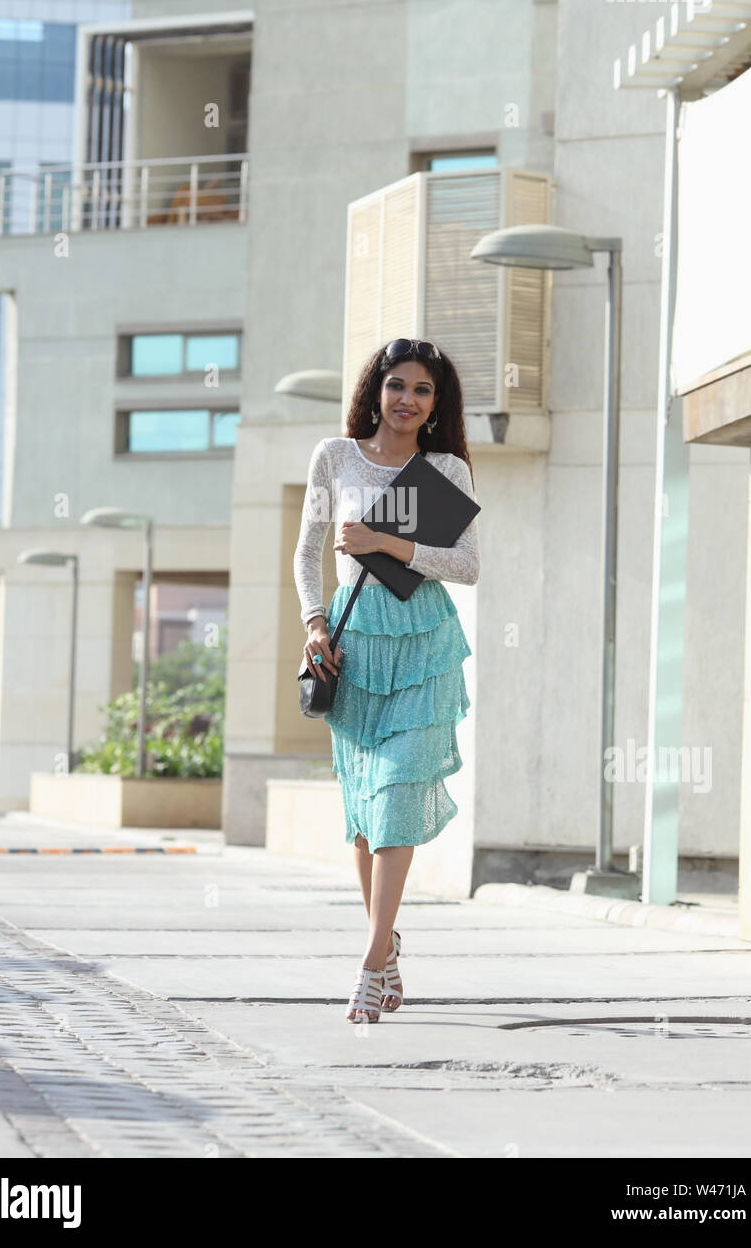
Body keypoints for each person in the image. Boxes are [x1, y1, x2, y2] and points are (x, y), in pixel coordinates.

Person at [293, 337, 480, 1023]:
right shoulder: (335, 457)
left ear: (436, 405)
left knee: (400, 791)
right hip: (352, 643)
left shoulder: (446, 468)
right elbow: (307, 550)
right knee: (367, 816)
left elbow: (466, 566)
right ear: (376, 390)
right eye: (397, 385)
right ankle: (389, 943)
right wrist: (315, 625)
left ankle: (371, 963)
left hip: (423, 642)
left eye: (422, 391)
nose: (407, 400)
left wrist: (385, 543)